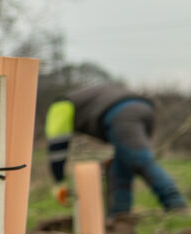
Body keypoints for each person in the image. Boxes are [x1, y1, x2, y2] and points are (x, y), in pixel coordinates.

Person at [47, 83, 184, 216]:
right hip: (143, 110)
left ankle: (176, 204)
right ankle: (120, 216)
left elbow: (57, 148)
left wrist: (58, 181)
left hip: (122, 115)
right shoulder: (82, 100)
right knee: (121, 165)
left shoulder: (59, 107)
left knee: (140, 159)